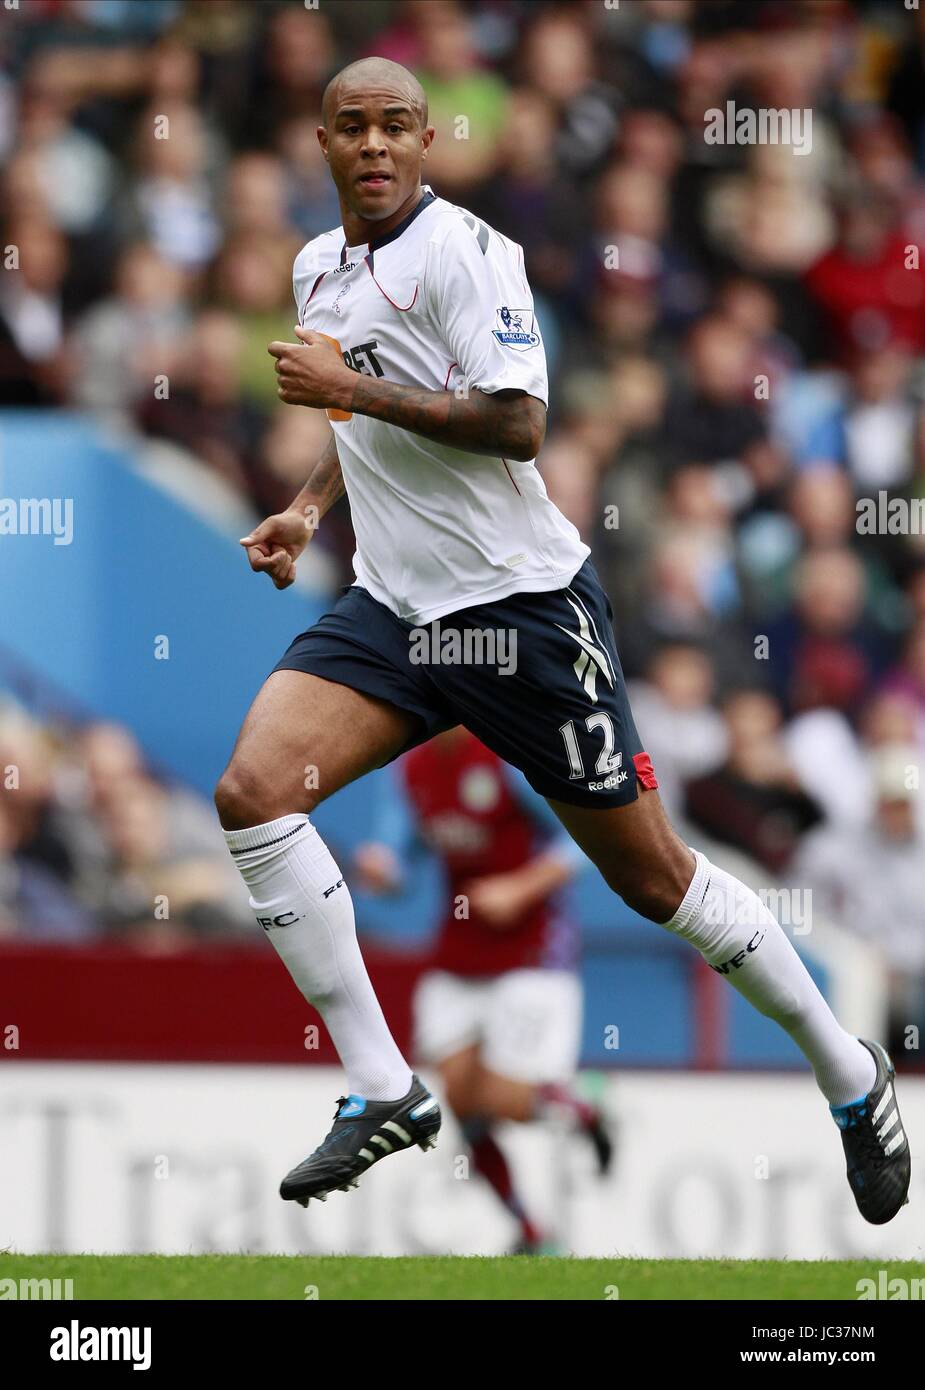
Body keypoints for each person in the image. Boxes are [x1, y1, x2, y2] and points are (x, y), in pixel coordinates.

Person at [214, 58, 910, 1224]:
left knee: (655, 880)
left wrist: (351, 391)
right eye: (353, 128)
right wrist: (307, 509)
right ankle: (382, 1085)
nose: (375, 145)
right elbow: (359, 406)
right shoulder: (314, 265)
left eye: (397, 126)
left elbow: (517, 424)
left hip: (522, 613)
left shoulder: (470, 252)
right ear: (322, 145)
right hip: (395, 611)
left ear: (428, 139)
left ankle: (849, 1072)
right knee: (251, 792)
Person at [354, 726, 611, 1252]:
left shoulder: (510, 754)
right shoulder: (411, 767)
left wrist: (520, 887)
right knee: (462, 1102)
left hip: (532, 952)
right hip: (457, 953)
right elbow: (402, 858)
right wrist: (385, 870)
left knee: (503, 1099)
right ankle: (530, 1230)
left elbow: (584, 837)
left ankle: (586, 1105)